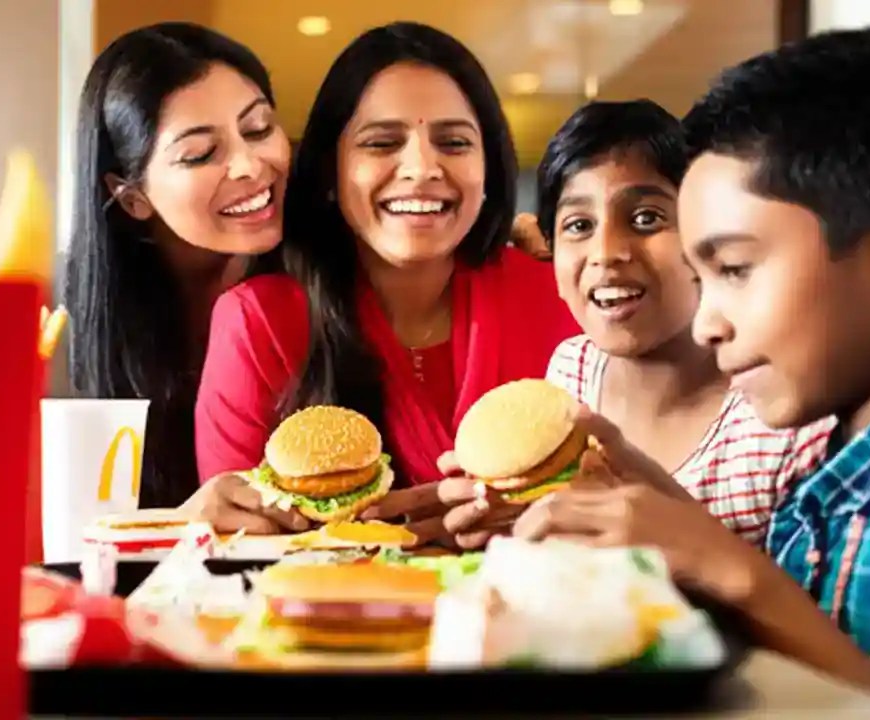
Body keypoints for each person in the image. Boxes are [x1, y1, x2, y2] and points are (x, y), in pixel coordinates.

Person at [515, 24, 870, 713]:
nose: (707, 321)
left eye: (735, 270)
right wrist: (668, 518)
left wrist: (743, 577)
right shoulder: (842, 478)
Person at [187, 22, 578, 538]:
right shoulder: (259, 323)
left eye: (454, 142)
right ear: (329, 171)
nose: (421, 167)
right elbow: (237, 557)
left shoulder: (558, 301)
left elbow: (614, 492)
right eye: (382, 142)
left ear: (490, 170)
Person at [536, 99, 831, 545]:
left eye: (646, 218)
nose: (606, 252)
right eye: (578, 225)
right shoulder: (570, 372)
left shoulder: (776, 422)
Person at [64, 23, 291, 509]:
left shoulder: (315, 291)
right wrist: (179, 527)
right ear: (130, 196)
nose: (250, 165)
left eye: (258, 129)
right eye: (200, 154)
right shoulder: (67, 330)